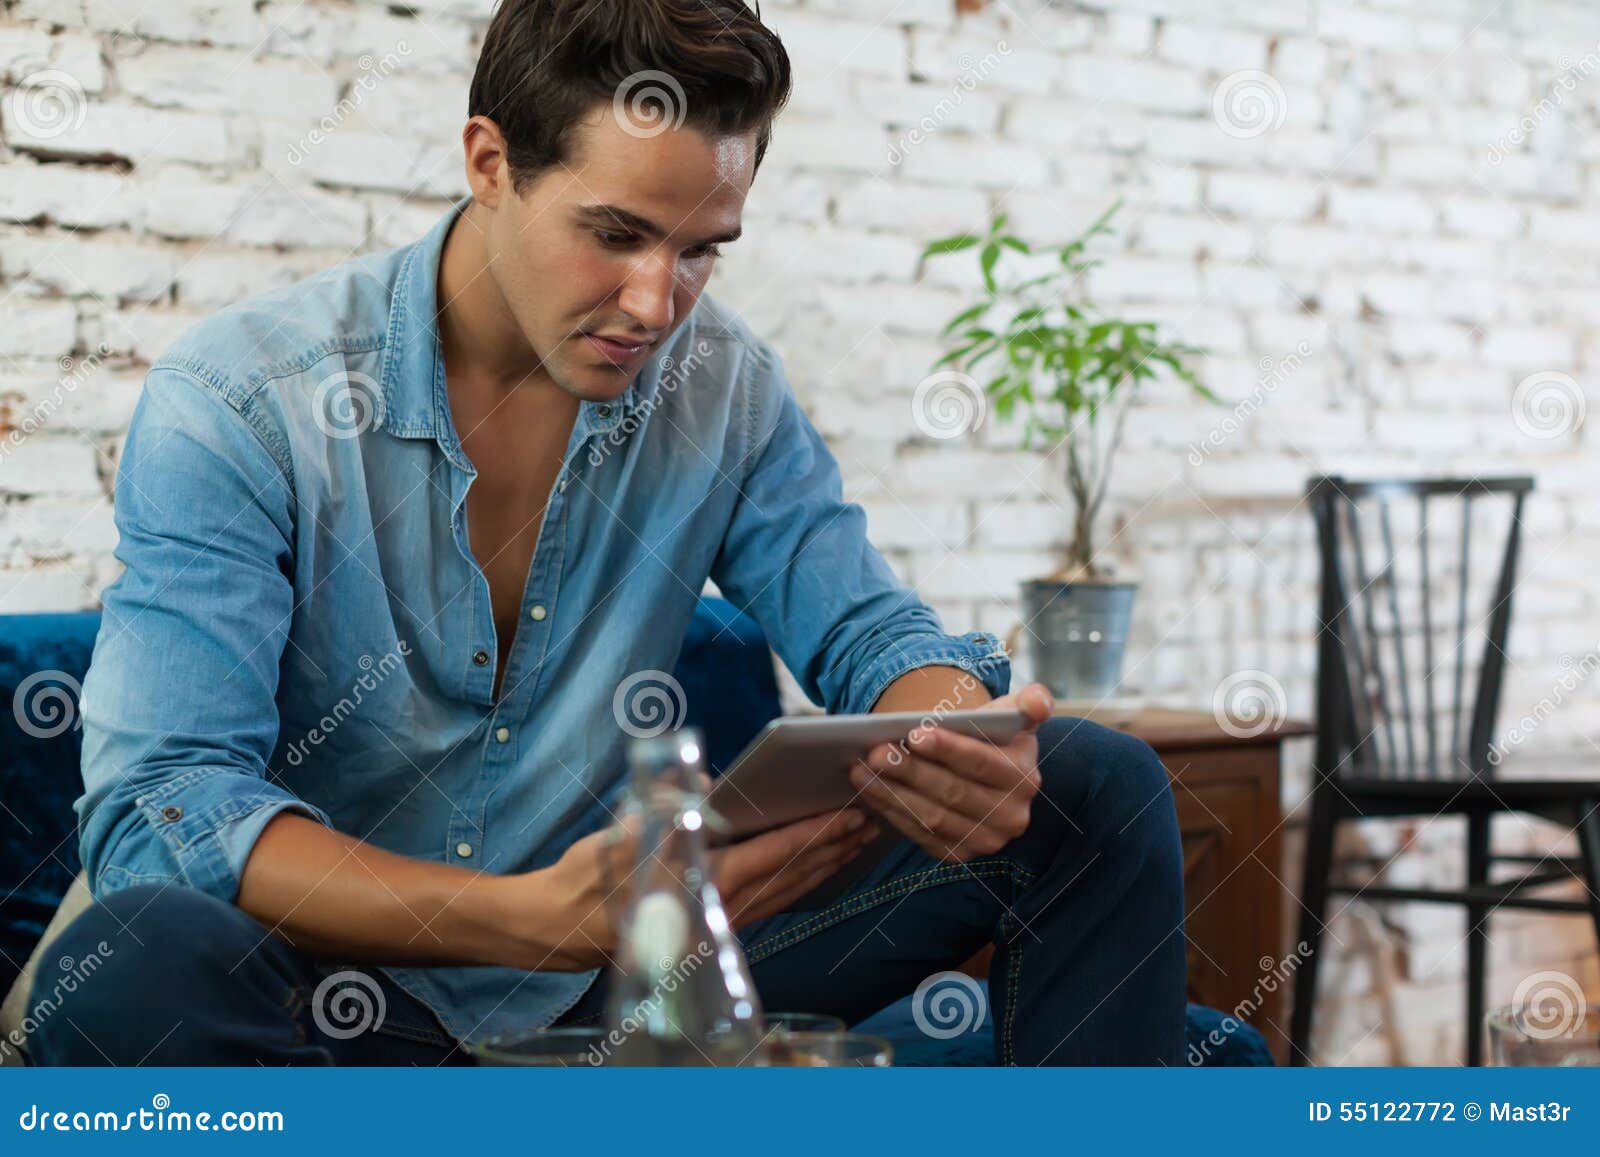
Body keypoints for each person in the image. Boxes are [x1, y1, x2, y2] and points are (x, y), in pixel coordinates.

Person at [31, 0, 1183, 1067]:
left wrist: (949, 747)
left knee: (1092, 781)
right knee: (133, 965)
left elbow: (868, 628)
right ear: (490, 163)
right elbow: (161, 808)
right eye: (617, 233)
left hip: (621, 981)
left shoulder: (721, 385)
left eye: (699, 248)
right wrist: (527, 920)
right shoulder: (243, 401)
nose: (655, 301)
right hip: (336, 998)